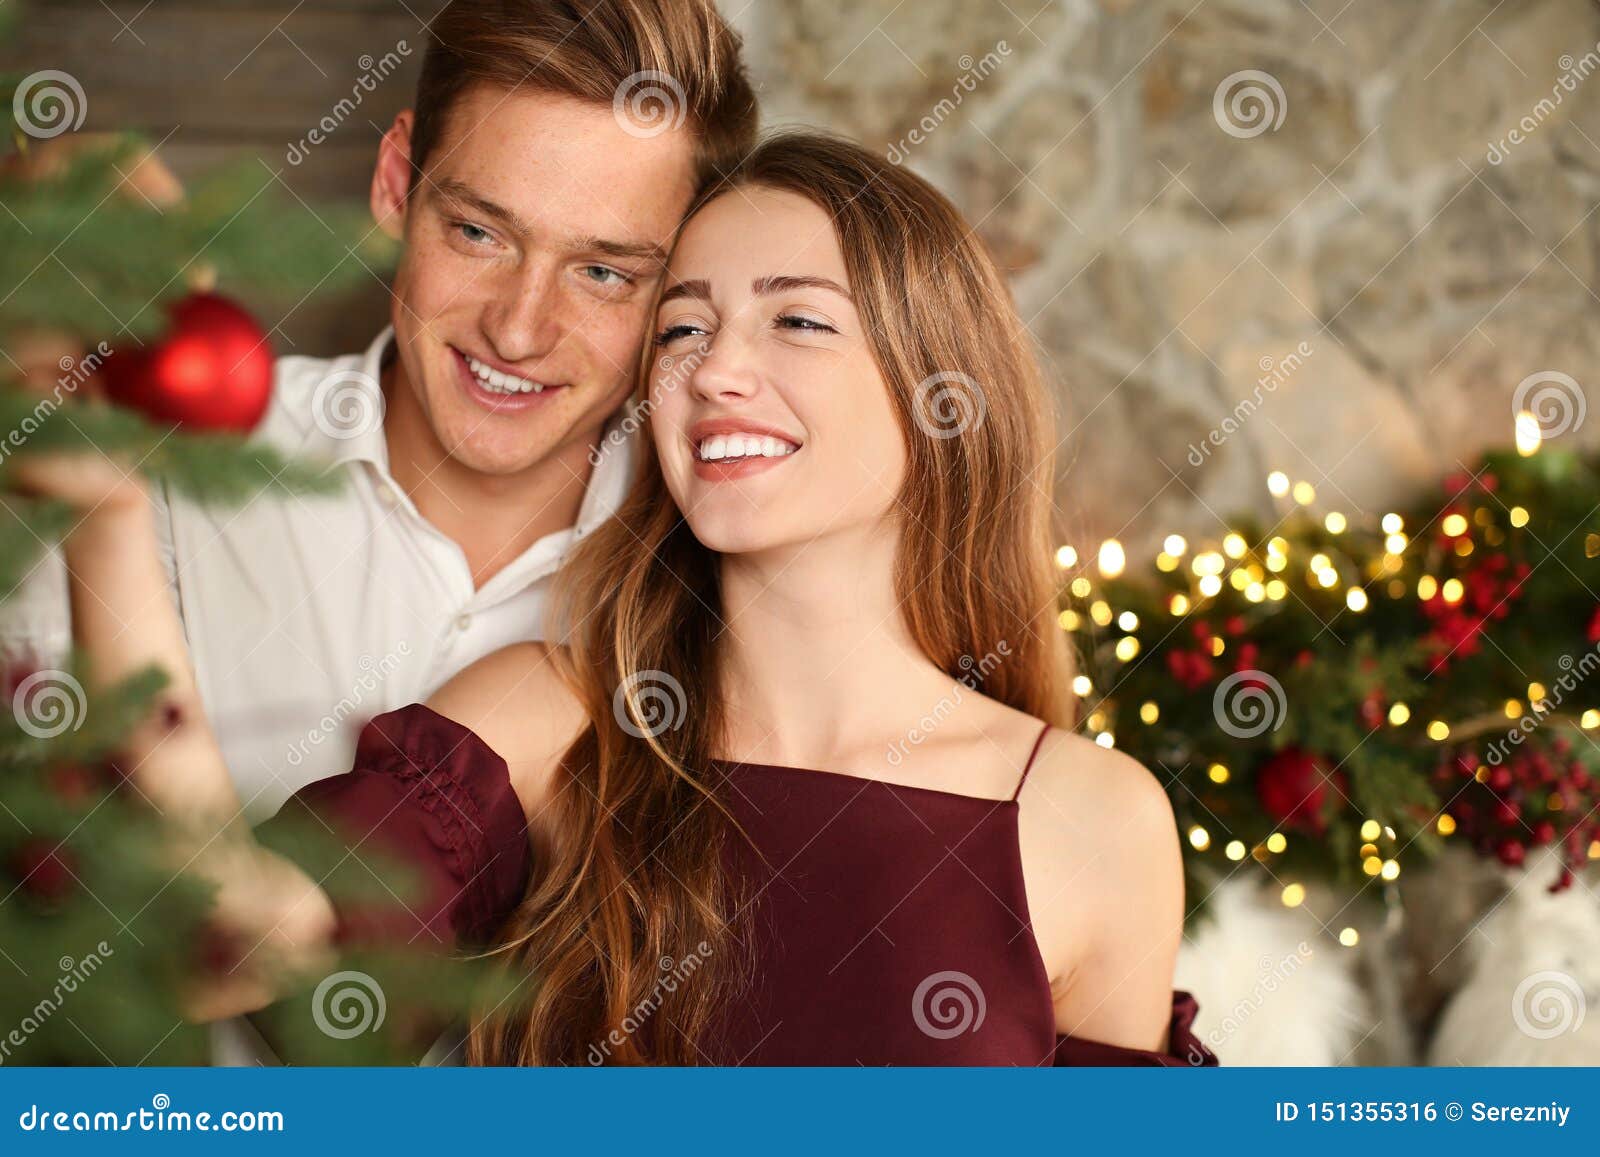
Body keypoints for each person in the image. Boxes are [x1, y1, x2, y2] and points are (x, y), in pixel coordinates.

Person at [18, 130, 1217, 1067]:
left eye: (797, 319)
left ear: (942, 392)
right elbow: (241, 937)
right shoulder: (549, 714)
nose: (716, 371)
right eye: (683, 326)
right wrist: (113, 510)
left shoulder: (1092, 821)